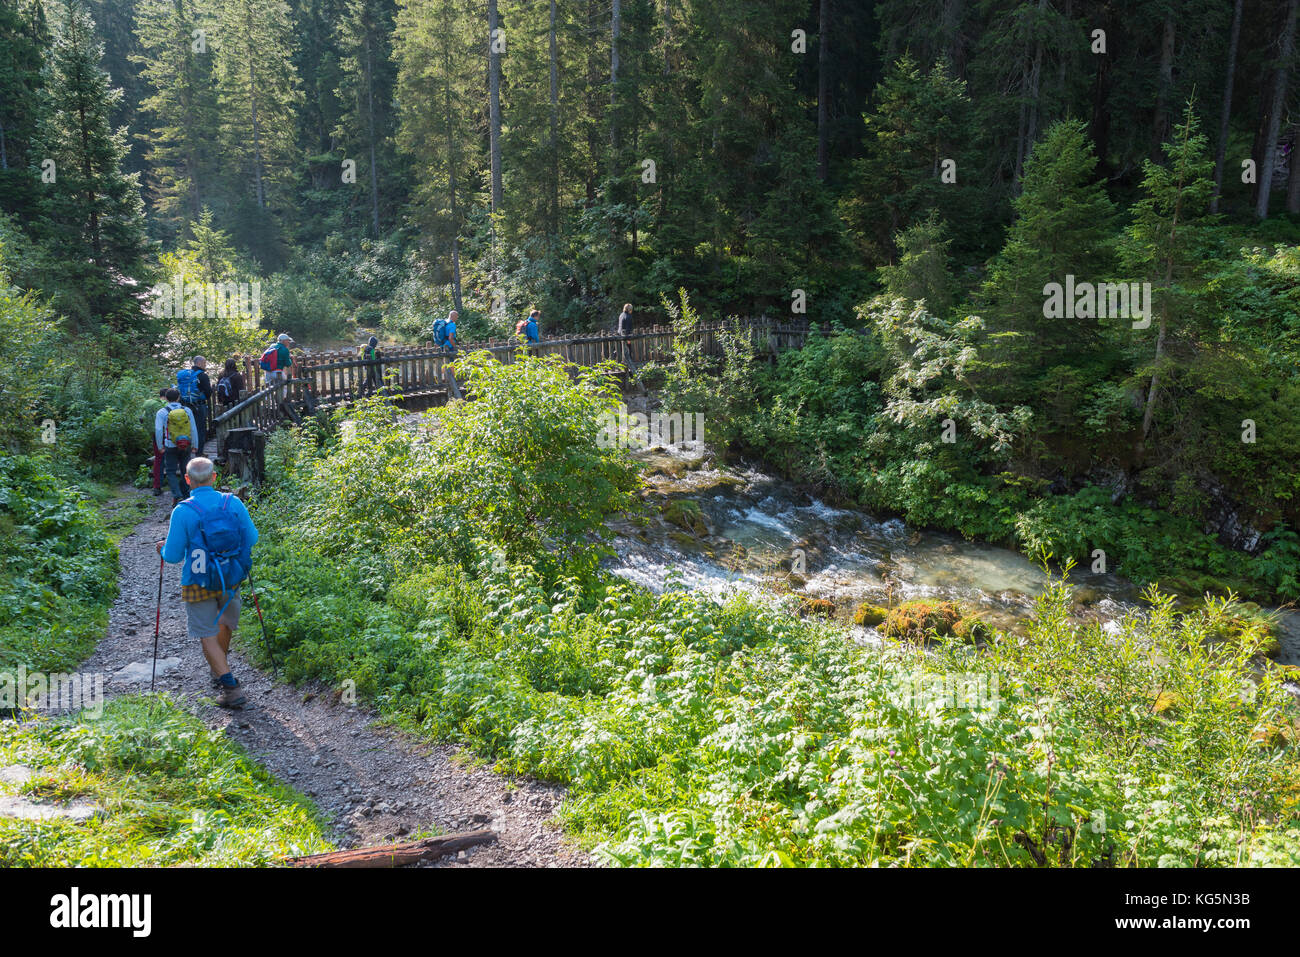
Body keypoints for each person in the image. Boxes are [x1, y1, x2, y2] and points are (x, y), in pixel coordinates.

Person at [156, 457, 258, 709]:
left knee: (206, 634)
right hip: (231, 577)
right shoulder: (232, 502)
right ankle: (219, 670)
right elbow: (252, 537)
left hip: (197, 580)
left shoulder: (183, 511)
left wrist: (162, 549)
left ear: (187, 480)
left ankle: (230, 686)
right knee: (224, 623)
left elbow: (173, 556)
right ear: (214, 478)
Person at [153, 388, 199, 507]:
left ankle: (177, 495)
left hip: (170, 445)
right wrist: (195, 445)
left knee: (170, 471)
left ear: (166, 398)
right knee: (185, 470)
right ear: (179, 398)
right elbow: (193, 428)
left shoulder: (162, 412)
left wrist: (160, 446)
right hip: (186, 445)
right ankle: (186, 496)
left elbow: (158, 430)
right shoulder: (187, 410)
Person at [262, 333, 294, 401]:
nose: (289, 342)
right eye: (287, 340)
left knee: (268, 387)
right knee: (284, 385)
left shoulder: (272, 346)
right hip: (278, 372)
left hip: (268, 371)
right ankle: (282, 401)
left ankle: (267, 402)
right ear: (283, 341)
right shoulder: (285, 350)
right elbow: (288, 364)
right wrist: (290, 359)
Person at [150, 387, 167, 496]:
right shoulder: (166, 406)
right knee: (172, 459)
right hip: (168, 435)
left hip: (155, 435)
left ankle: (157, 486)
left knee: (158, 460)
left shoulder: (152, 405)